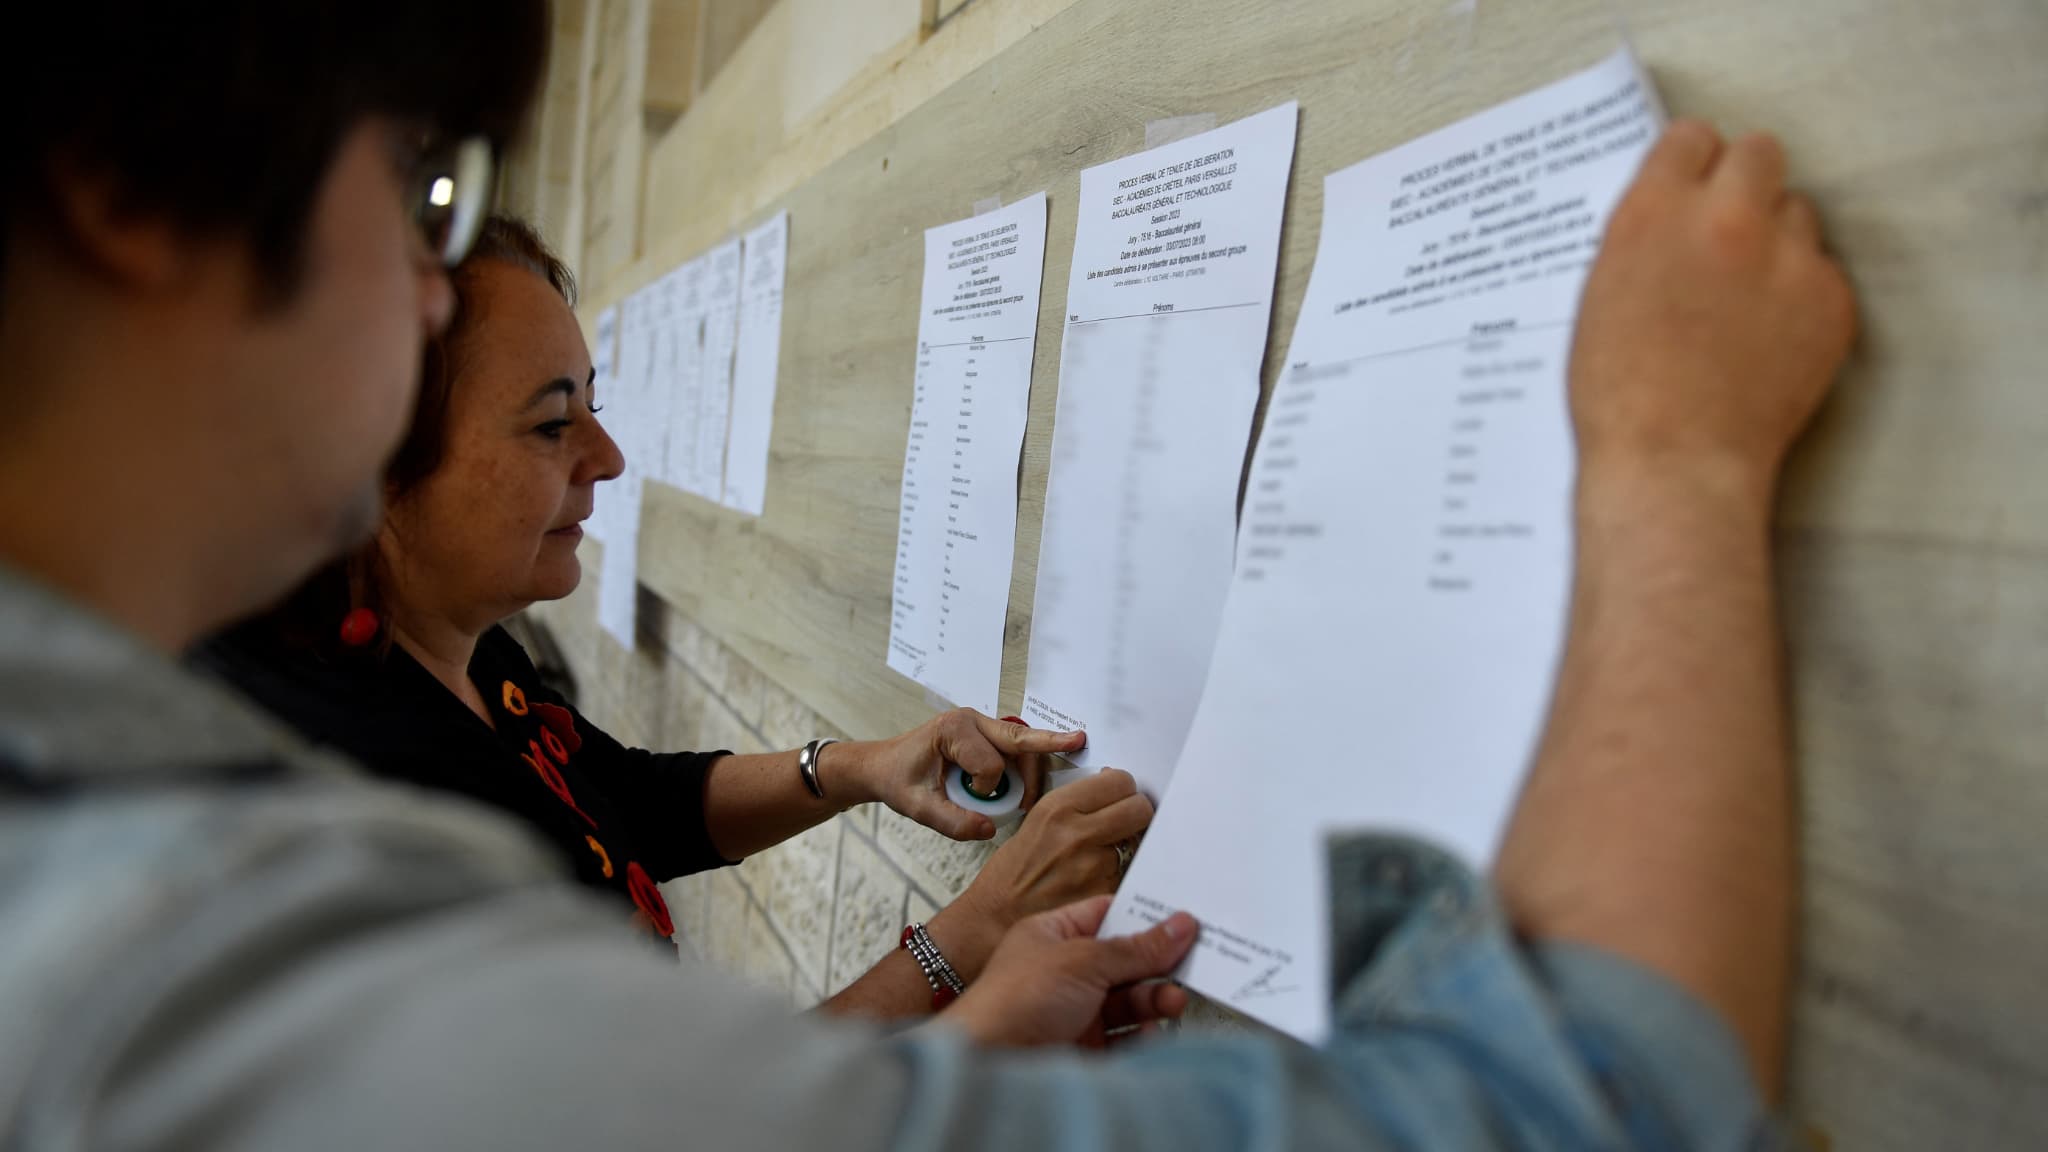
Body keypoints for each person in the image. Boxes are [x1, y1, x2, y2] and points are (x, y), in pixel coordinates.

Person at [0, 2, 1856, 1146]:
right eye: (409, 181)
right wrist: (1668, 456)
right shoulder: (230, 975)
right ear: (129, 182)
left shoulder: (258, 762)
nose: (420, 283)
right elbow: (1567, 1111)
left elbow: (616, 802)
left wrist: (853, 778)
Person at [194, 214, 1153, 1016]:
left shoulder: (459, 653)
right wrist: (975, 940)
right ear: (370, 461)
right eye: (552, 422)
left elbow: (624, 802)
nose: (607, 457)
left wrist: (862, 769)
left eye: (594, 404)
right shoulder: (357, 806)